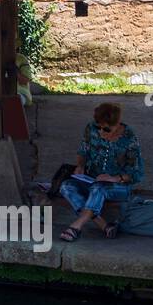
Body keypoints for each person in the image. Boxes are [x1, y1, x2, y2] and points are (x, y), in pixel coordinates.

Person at [58, 102, 144, 242]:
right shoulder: (91, 128)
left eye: (106, 129)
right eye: (98, 127)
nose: (101, 132)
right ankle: (104, 225)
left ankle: (76, 227)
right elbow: (83, 150)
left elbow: (137, 173)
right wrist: (80, 166)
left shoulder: (129, 138)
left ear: (117, 124)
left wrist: (114, 178)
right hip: (91, 180)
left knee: (99, 188)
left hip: (119, 186)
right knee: (66, 186)